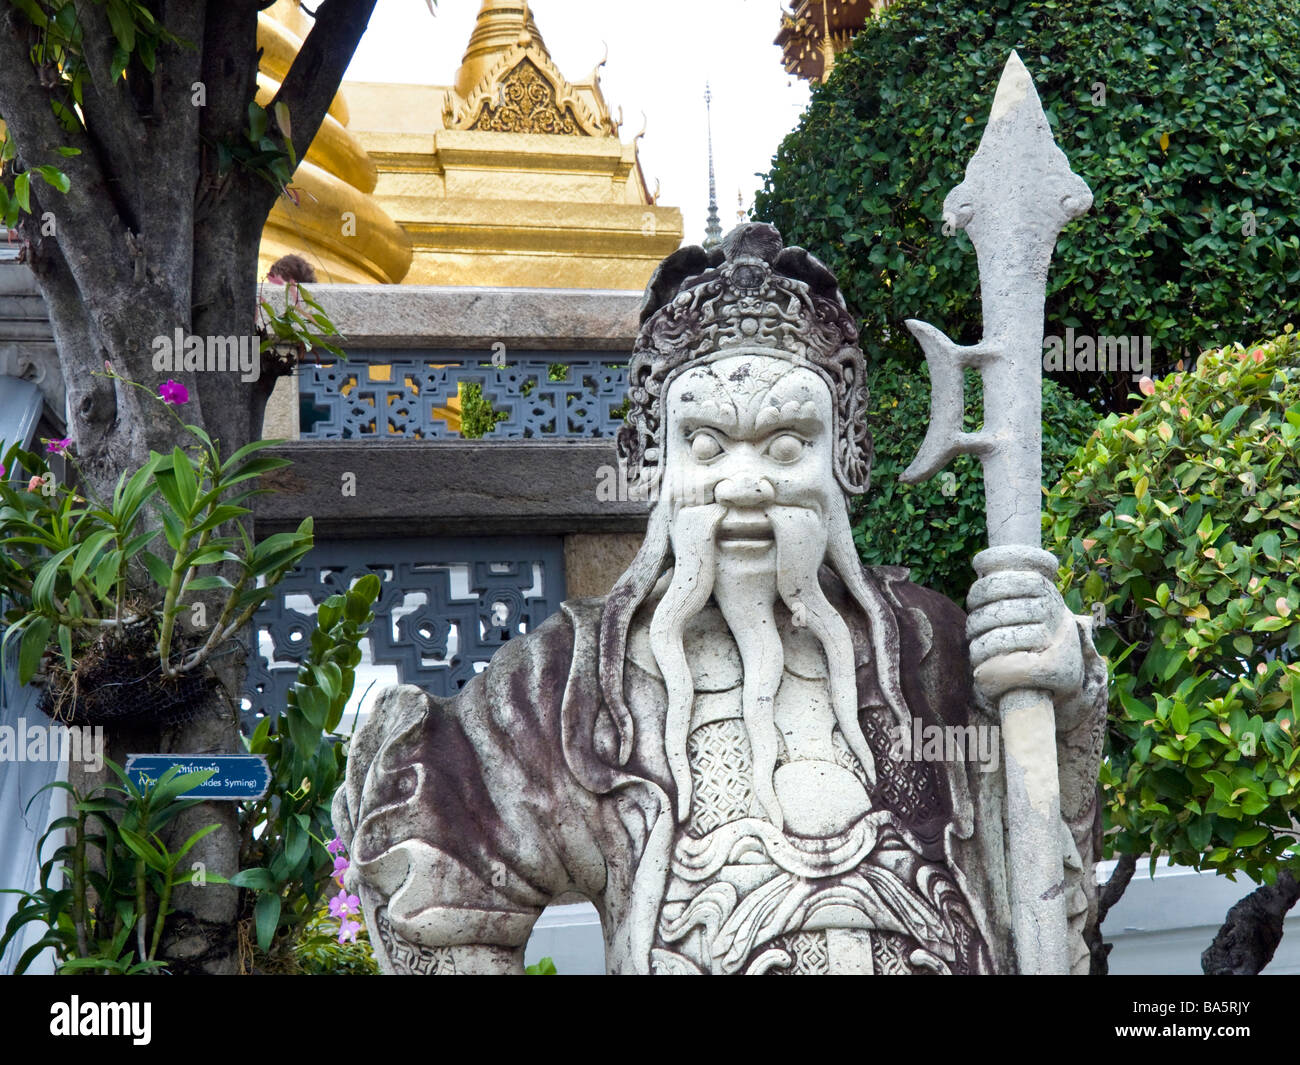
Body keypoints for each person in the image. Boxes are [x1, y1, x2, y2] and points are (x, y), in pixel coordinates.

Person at [332, 223, 1107, 974]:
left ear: (848, 458)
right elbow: (443, 881)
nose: (744, 485)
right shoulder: (571, 687)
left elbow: (1037, 859)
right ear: (651, 463)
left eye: (786, 445)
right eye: (706, 445)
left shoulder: (930, 652)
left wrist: (1061, 695)